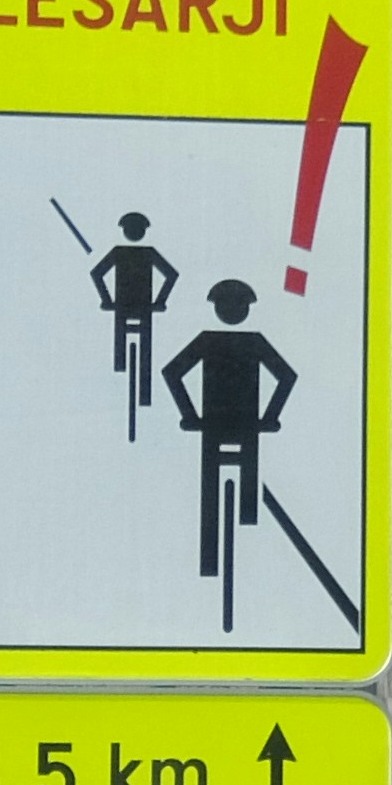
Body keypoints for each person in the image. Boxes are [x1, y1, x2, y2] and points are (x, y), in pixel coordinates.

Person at [161, 281, 297, 621]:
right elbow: (286, 377)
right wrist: (270, 416)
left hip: (220, 425)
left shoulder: (219, 341)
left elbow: (172, 373)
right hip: (241, 425)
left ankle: (241, 538)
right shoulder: (246, 342)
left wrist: (190, 414)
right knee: (218, 493)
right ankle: (215, 557)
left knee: (230, 496)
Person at [87, 212, 178, 438]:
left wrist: (108, 299)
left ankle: (142, 390)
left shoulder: (130, 253)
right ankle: (131, 378)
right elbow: (171, 275)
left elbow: (97, 274)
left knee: (141, 350)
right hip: (138, 307)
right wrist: (160, 300)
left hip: (128, 306)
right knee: (132, 351)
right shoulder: (139, 253)